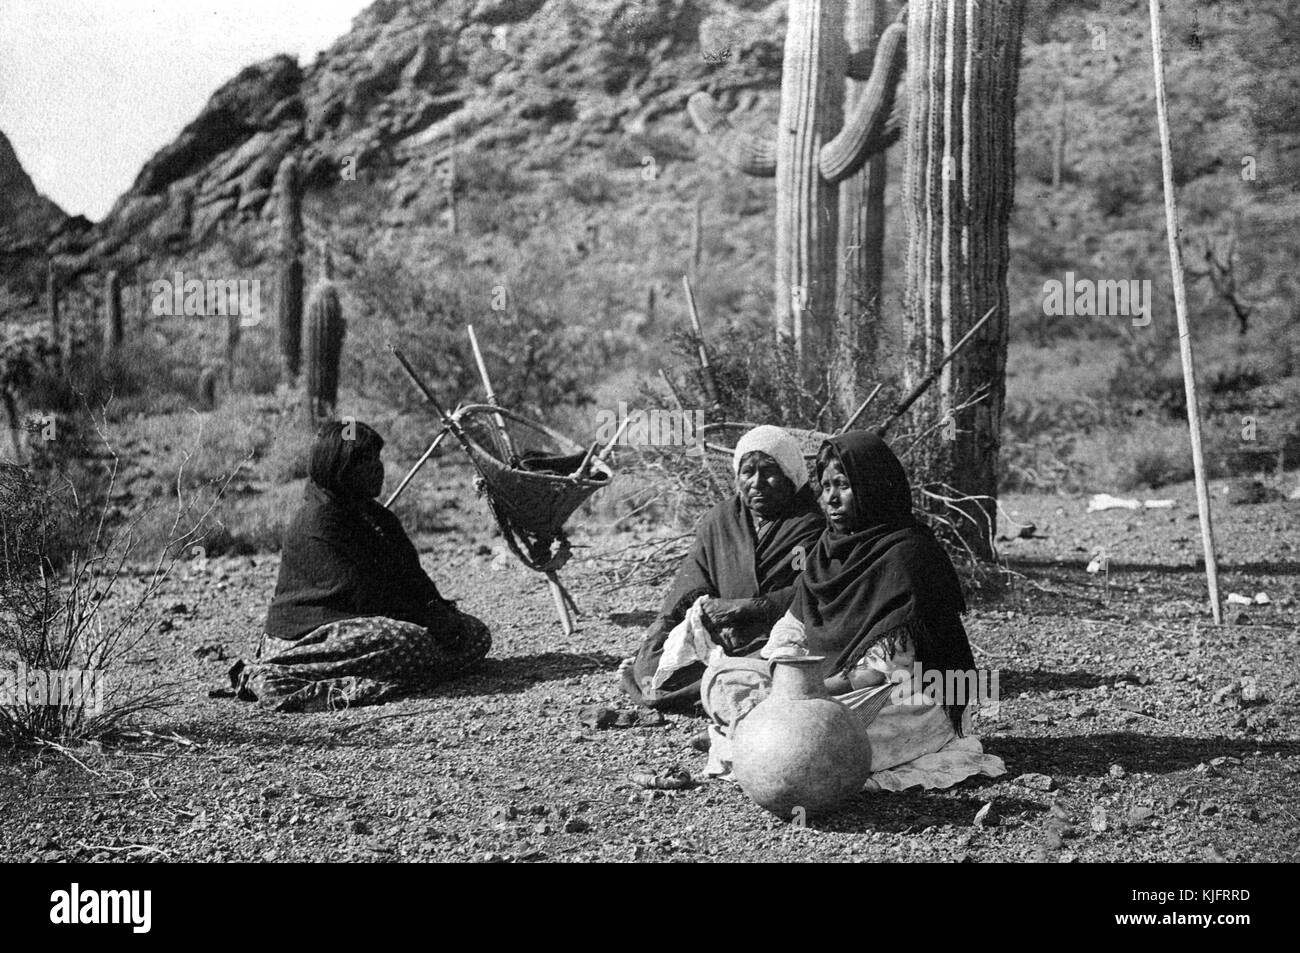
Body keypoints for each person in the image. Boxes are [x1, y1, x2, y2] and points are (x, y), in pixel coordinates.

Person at [700, 430, 1005, 790]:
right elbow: (792, 626)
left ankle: (756, 736)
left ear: (874, 486)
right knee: (722, 676)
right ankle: (768, 734)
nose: (830, 498)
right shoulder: (827, 550)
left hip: (905, 696)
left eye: (842, 485)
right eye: (825, 486)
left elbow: (881, 671)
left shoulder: (909, 554)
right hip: (821, 682)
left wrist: (800, 695)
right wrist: (785, 675)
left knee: (828, 733)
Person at [229, 420, 491, 712]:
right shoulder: (320, 519)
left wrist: (436, 608)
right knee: (405, 640)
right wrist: (427, 618)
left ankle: (409, 666)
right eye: (364, 461)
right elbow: (360, 594)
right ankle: (281, 675)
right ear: (338, 467)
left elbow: (413, 577)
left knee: (475, 634)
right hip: (309, 636)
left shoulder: (375, 517)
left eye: (376, 459)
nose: (377, 468)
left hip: (375, 619)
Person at [619, 425, 825, 712]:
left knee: (783, 661)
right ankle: (720, 690)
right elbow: (693, 579)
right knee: (653, 664)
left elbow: (815, 591)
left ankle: (724, 690)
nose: (757, 482)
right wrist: (686, 621)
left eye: (769, 471)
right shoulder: (720, 520)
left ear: (791, 474)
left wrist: (750, 608)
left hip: (773, 632)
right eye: (747, 472)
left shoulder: (811, 525)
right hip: (717, 631)